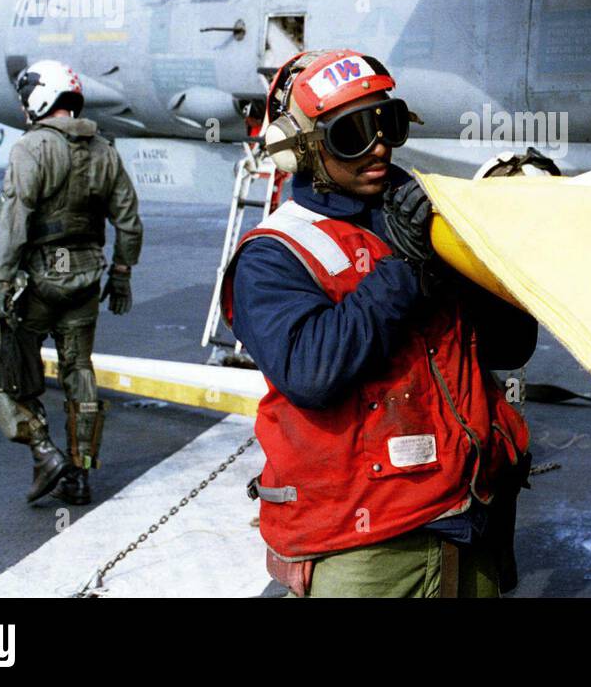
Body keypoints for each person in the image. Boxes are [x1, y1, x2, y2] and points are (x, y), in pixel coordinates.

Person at [222, 49, 536, 598]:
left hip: (469, 524)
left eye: (387, 124)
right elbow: (313, 372)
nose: (380, 147)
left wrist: (496, 252)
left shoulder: (424, 225)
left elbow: (510, 347)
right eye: (352, 134)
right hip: (365, 547)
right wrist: (408, 269)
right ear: (303, 151)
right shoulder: (274, 253)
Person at [0, 60, 143, 505]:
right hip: (87, 278)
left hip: (38, 280)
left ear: (40, 99)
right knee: (79, 370)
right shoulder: (105, 151)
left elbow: (15, 224)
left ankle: (42, 450)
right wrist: (121, 273)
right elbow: (129, 223)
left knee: (5, 367)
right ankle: (81, 474)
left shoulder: (30, 148)